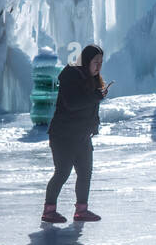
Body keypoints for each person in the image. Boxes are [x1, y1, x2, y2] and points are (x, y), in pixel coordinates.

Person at [43, 44, 108, 223]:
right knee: (62, 172)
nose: (99, 66)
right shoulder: (71, 75)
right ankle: (49, 211)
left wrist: (94, 125)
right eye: (96, 62)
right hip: (63, 135)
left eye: (101, 62)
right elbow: (73, 103)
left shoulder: (92, 79)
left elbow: (89, 108)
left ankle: (81, 210)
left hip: (82, 135)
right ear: (86, 61)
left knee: (85, 172)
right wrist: (96, 97)